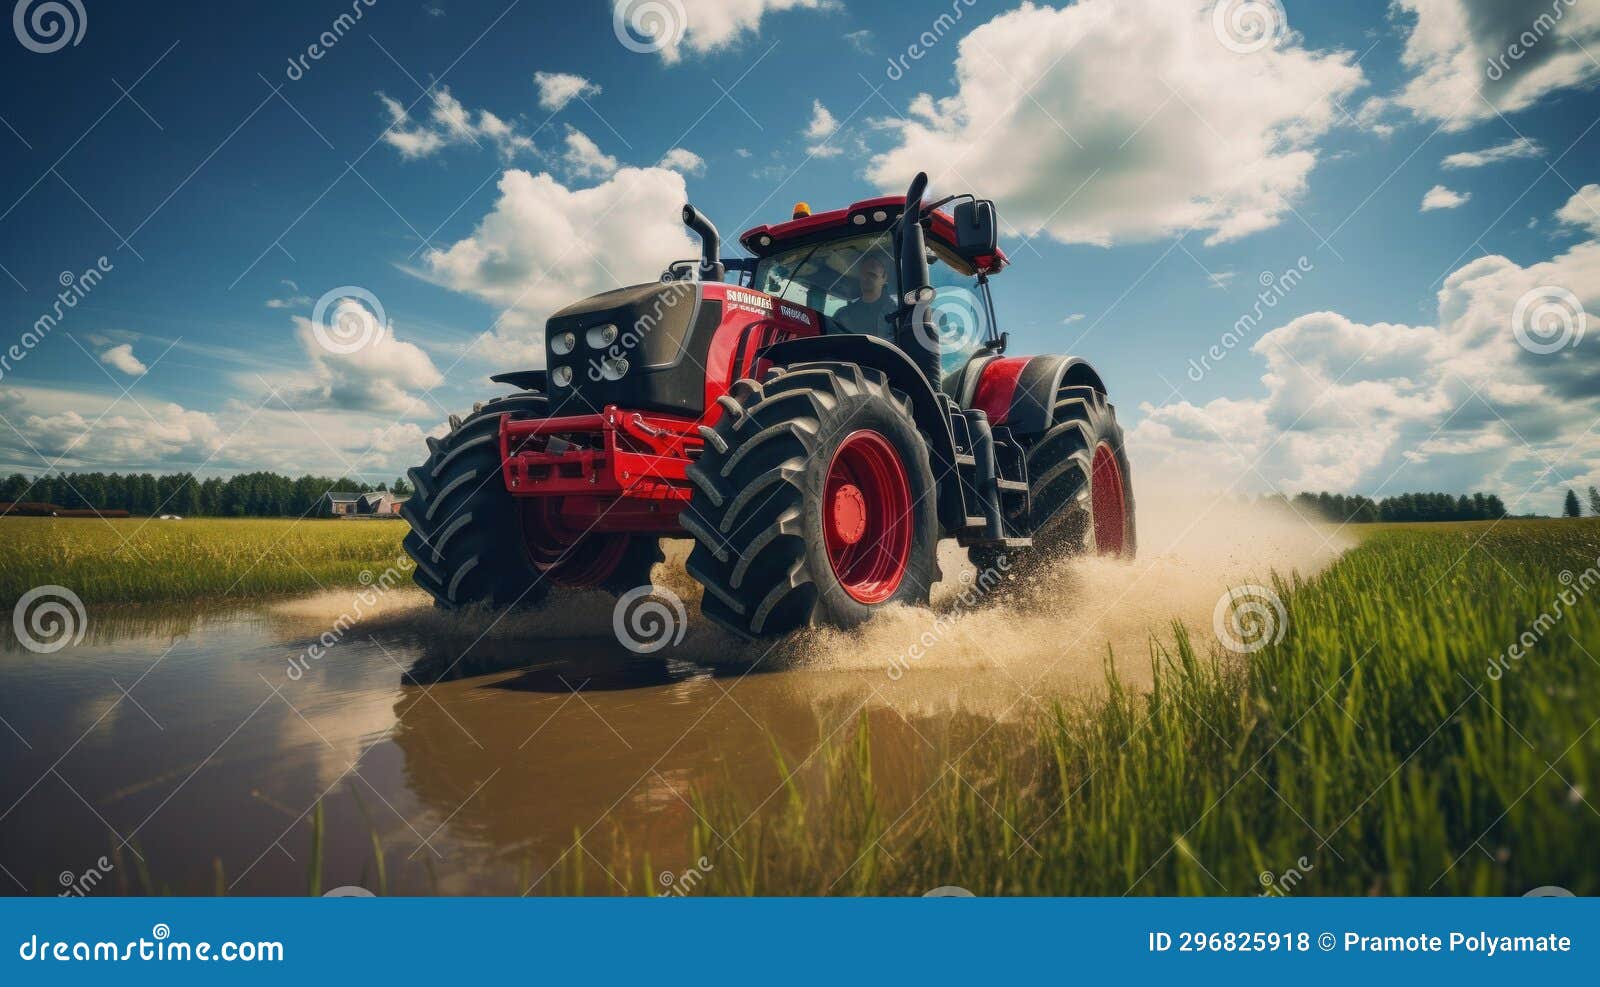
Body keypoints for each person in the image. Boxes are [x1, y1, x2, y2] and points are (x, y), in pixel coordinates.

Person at [834, 254, 896, 338]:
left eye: (872, 275)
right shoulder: (842, 315)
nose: (867, 278)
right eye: (864, 274)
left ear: (884, 278)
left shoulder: (896, 314)